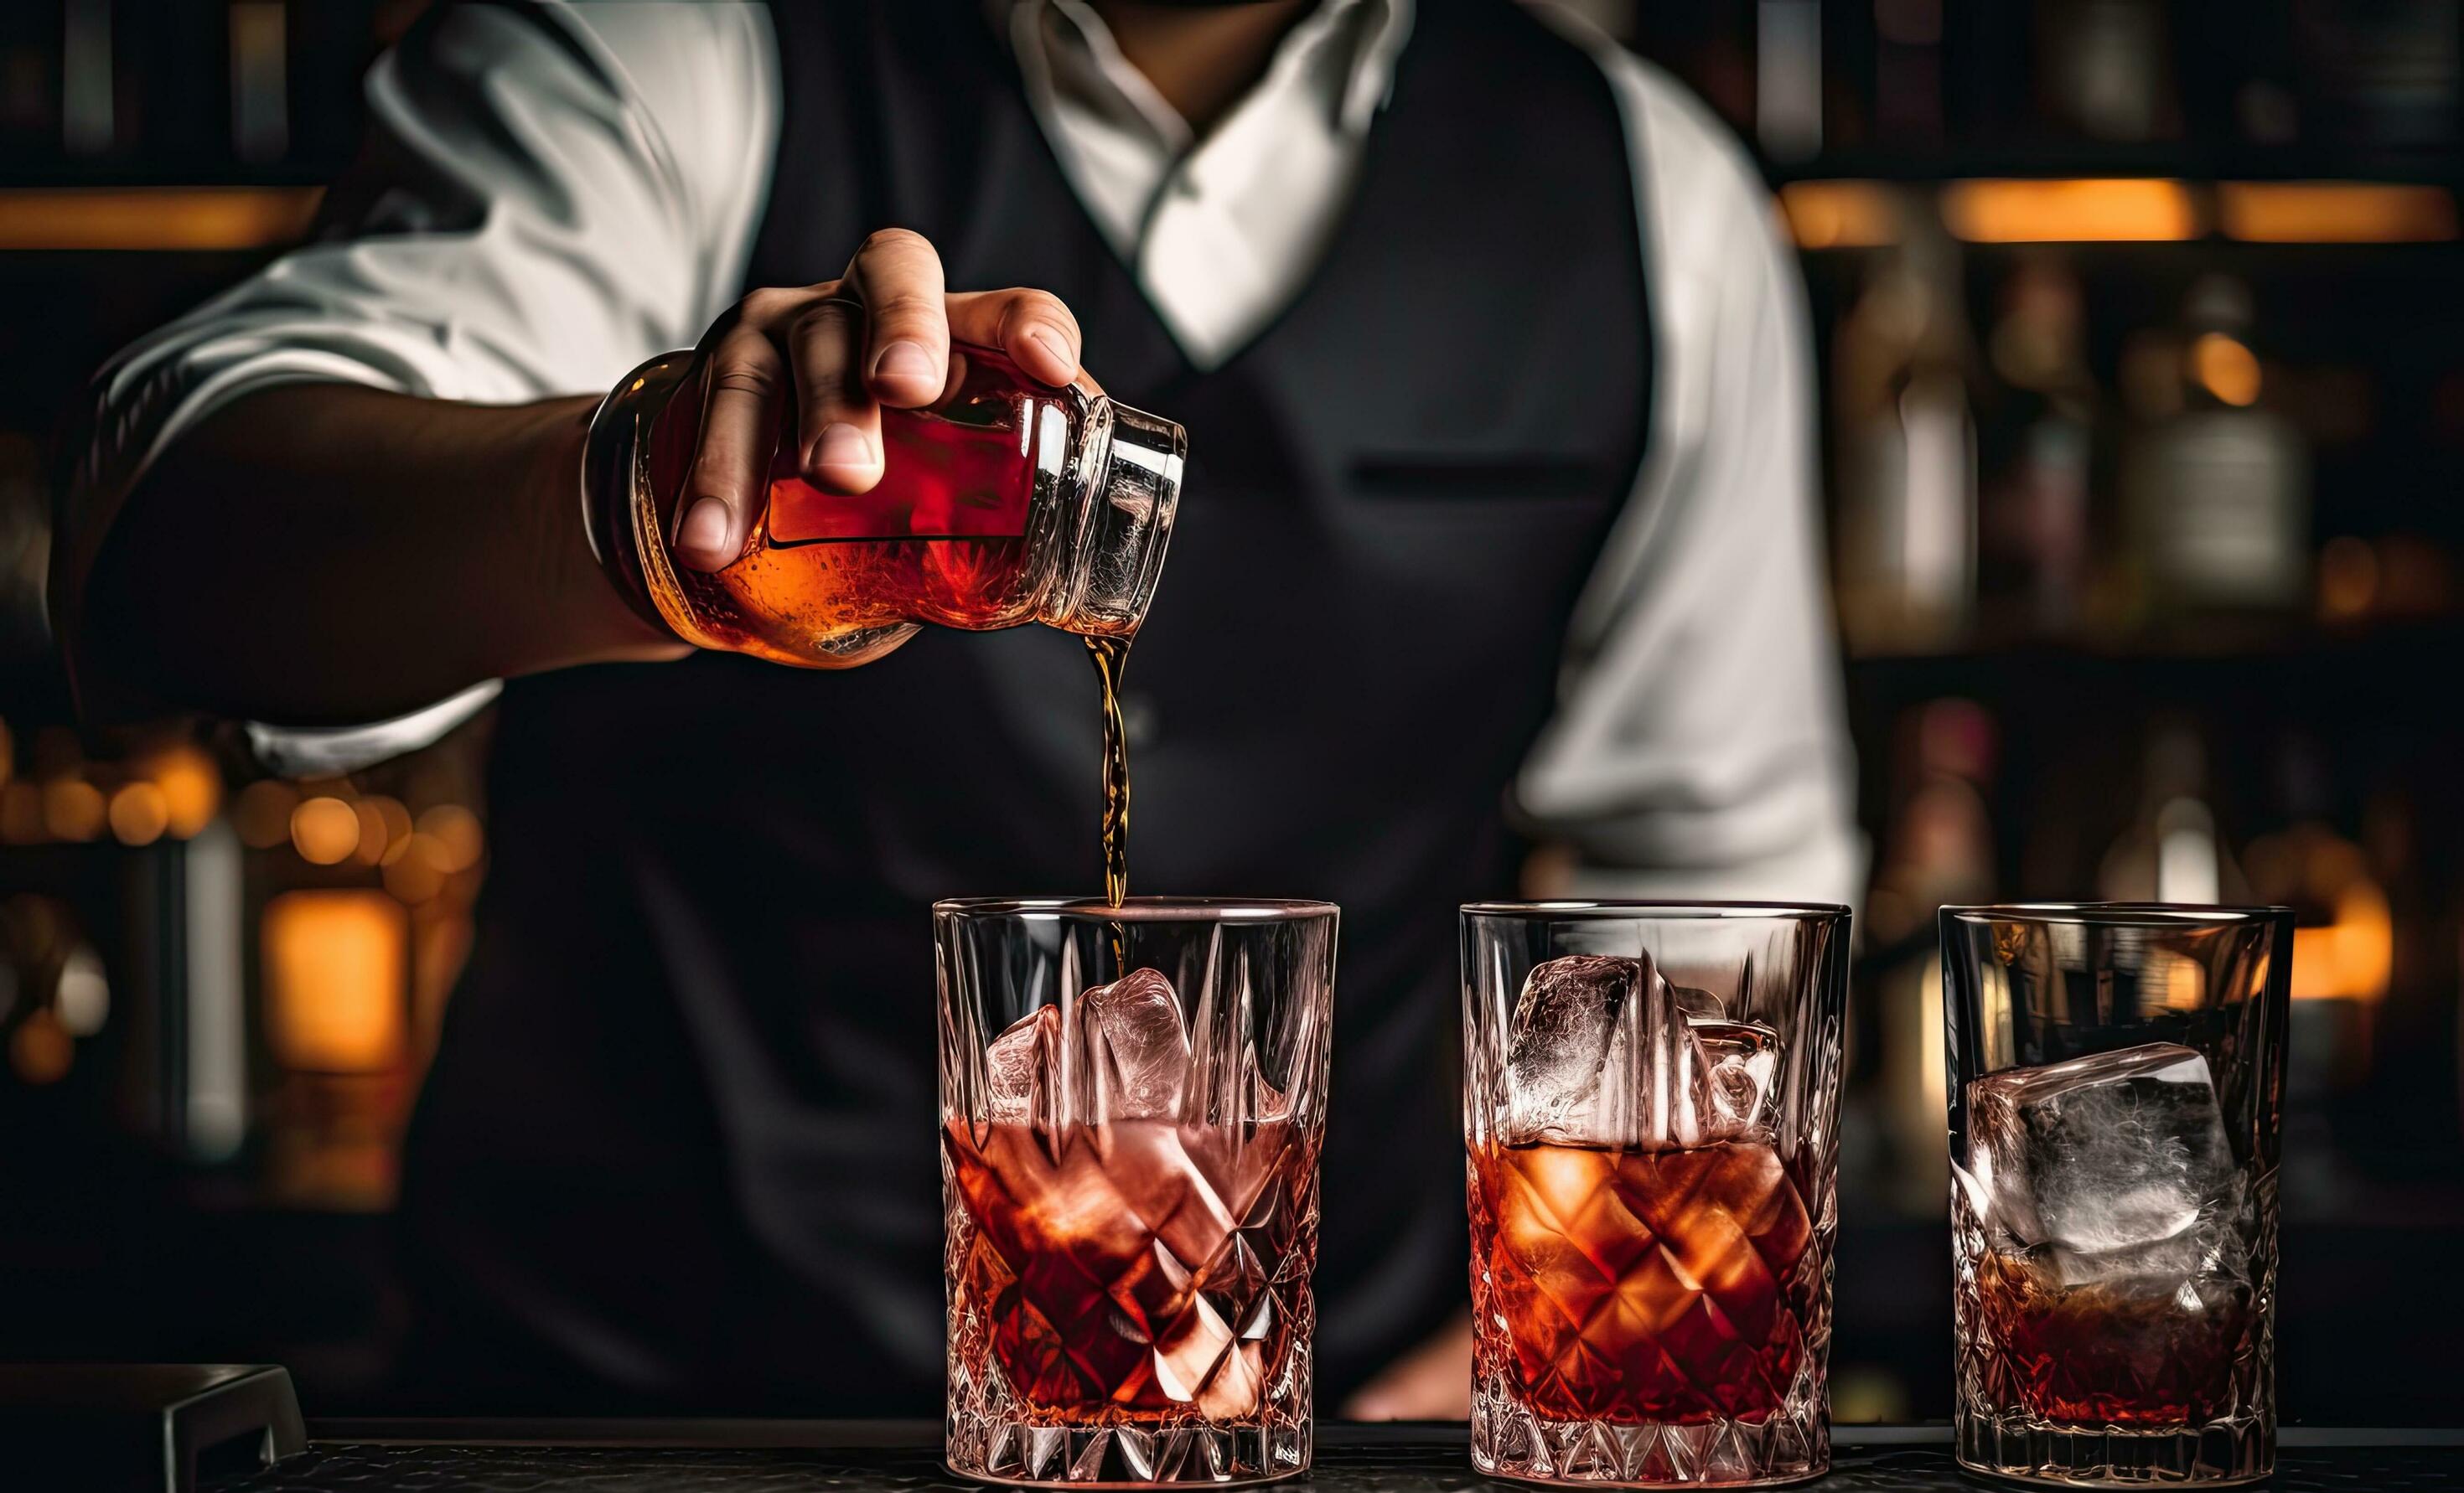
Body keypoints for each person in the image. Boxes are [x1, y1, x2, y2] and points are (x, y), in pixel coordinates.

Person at [56, 1, 1858, 1416]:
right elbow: (167, 549)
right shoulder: (660, 45)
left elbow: (1707, 891)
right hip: (630, 1451)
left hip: (1318, 1467)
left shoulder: (1649, 189)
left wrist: (1560, 1318)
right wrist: (651, 503)